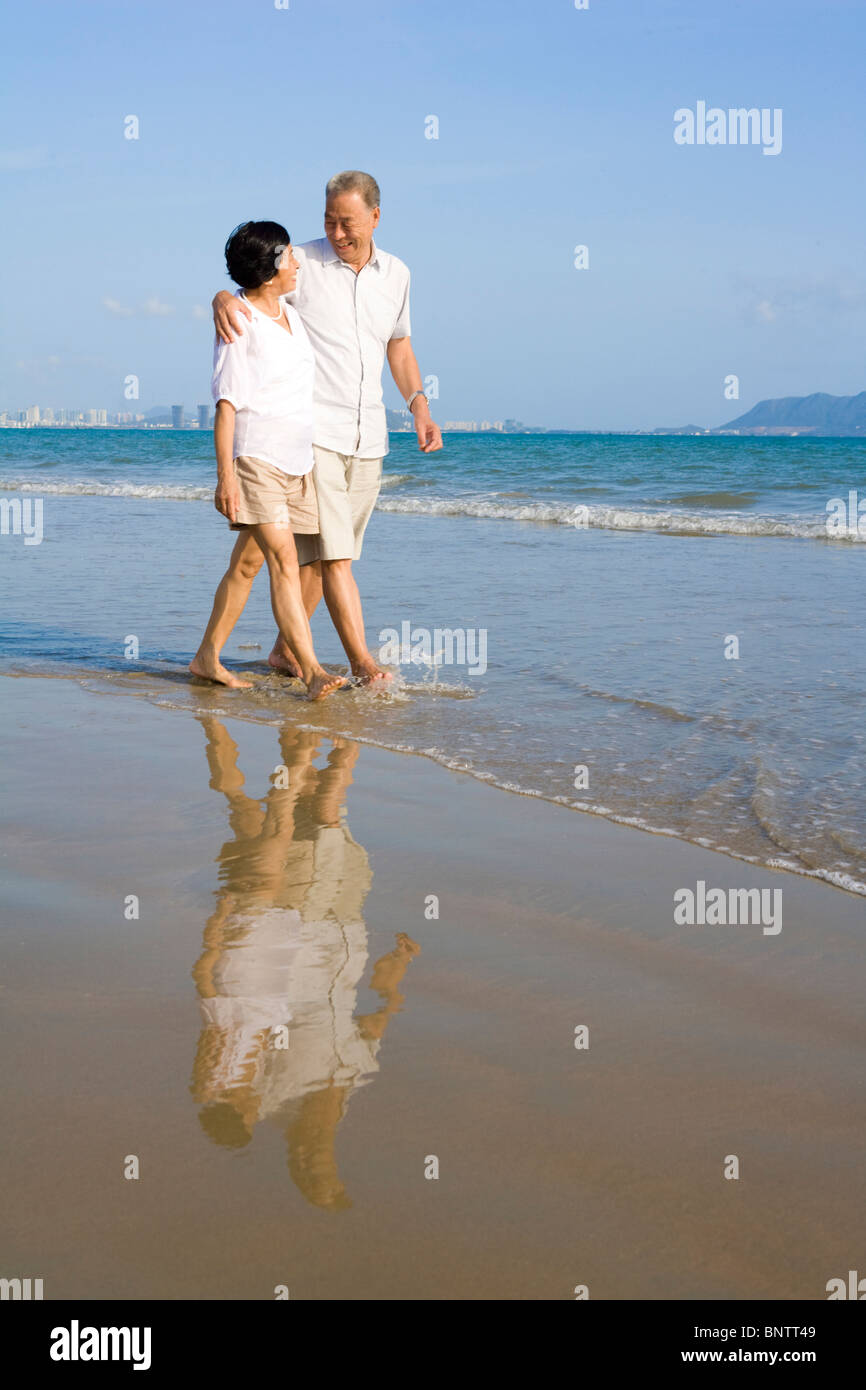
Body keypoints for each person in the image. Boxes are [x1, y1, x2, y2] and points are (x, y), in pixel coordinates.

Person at [209, 170, 443, 686]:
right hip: (312, 437)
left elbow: (398, 345)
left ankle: (278, 652)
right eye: (329, 221)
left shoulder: (397, 275)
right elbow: (253, 291)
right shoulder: (303, 263)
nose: (337, 233)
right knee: (333, 558)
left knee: (311, 558)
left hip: (369, 438)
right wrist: (221, 298)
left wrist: (419, 407)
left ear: (375, 218)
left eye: (348, 223)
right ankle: (361, 665)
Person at [190, 220, 343, 701]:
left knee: (246, 567)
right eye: (291, 256)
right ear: (274, 266)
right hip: (256, 460)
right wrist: (226, 478)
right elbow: (226, 407)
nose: (298, 263)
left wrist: (221, 291)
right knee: (283, 560)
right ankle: (313, 671)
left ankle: (206, 659)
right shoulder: (240, 324)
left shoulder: (289, 314)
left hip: (298, 463)